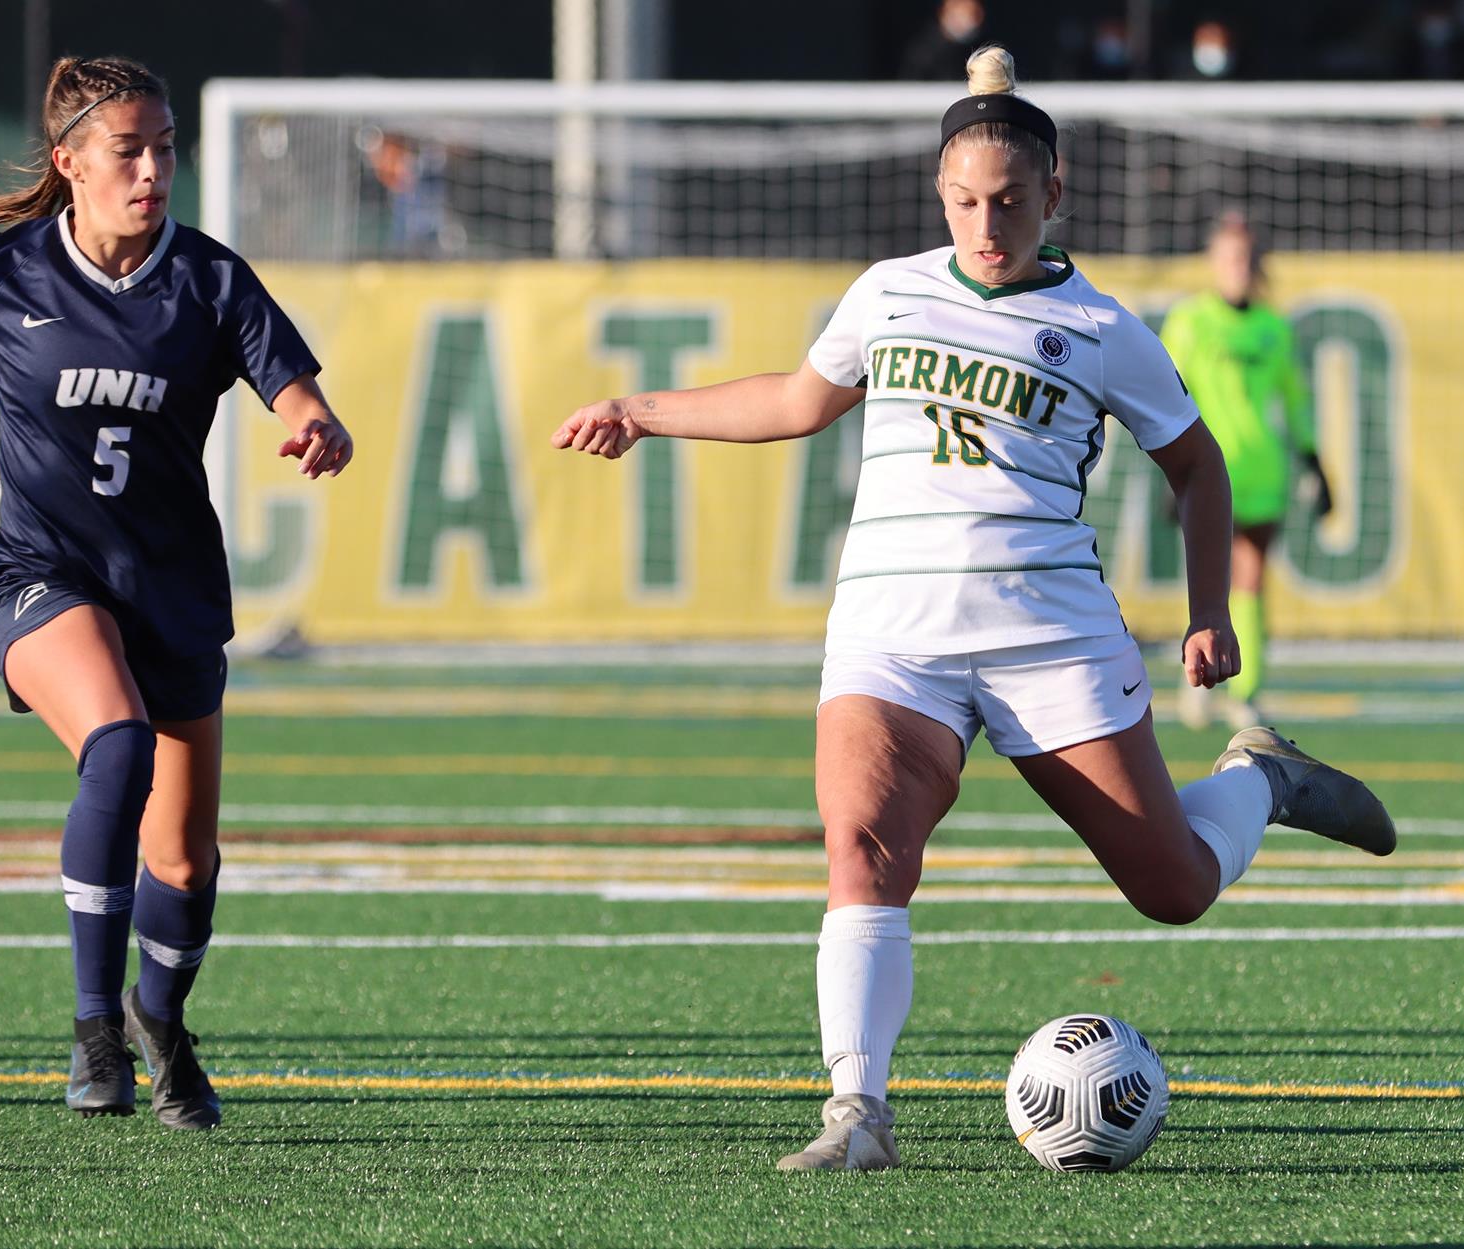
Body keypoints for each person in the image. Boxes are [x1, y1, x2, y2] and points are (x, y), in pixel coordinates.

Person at [552, 45, 1393, 1171]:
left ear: (1054, 194)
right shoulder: (887, 291)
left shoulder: (1102, 329)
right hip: (890, 635)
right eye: (962, 201)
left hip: (1049, 635)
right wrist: (641, 409)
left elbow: (1196, 468)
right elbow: (798, 400)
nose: (984, 224)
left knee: (1174, 889)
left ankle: (1259, 778)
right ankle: (857, 1113)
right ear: (938, 196)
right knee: (861, 848)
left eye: (1006, 201)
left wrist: (1206, 610)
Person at [0, 56, 353, 1129]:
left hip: (173, 590)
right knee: (118, 742)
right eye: (128, 150)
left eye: (165, 147)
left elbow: (294, 387)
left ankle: (161, 1021)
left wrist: (315, 422)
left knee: (184, 858)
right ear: (70, 163)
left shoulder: (210, 279)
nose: (152, 170)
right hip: (41, 574)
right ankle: (96, 1032)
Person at [1159, 215, 1330, 730]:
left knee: (1250, 581)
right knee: (1207, 579)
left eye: (1246, 259)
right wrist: (1169, 469)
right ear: (1214, 262)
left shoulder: (1273, 329)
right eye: (1229, 257)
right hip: (1206, 469)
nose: (1238, 268)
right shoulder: (1190, 321)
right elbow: (1167, 391)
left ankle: (1246, 690)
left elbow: (1295, 401)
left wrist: (1315, 462)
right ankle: (1198, 677)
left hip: (1261, 471)